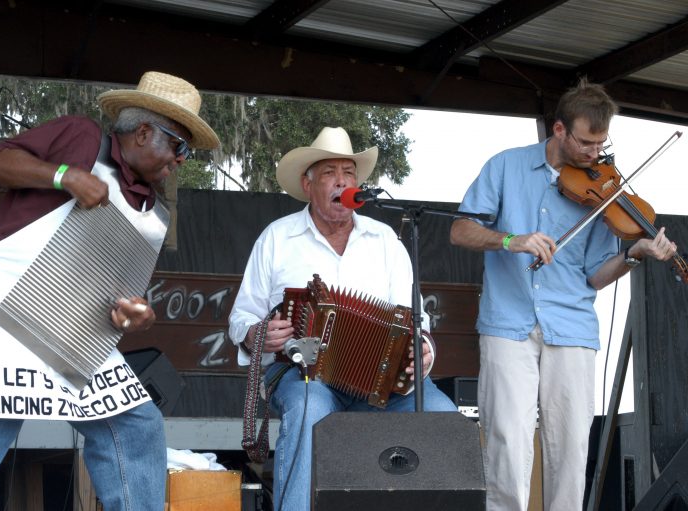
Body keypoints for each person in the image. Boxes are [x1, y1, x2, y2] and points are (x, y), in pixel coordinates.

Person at [0, 71, 219, 510]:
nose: (181, 161)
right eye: (180, 147)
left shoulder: (152, 210)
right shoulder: (83, 139)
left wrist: (137, 313)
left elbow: (121, 292)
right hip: (2, 319)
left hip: (74, 336)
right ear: (142, 132)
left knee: (137, 426)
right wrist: (65, 176)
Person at [450, 79, 678, 511]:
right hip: (507, 322)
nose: (596, 154)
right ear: (559, 131)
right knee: (506, 440)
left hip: (571, 325)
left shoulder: (603, 191)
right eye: (587, 142)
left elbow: (595, 276)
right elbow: (460, 229)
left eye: (602, 143)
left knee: (571, 447)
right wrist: (510, 240)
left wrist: (634, 254)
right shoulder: (505, 166)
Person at [229, 126, 457, 511]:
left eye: (349, 173)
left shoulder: (385, 240)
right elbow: (241, 319)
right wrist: (257, 334)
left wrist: (424, 351)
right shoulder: (276, 238)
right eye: (330, 172)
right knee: (308, 407)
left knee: (444, 417)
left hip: (381, 383)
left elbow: (415, 322)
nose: (342, 182)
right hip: (302, 377)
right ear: (308, 184)